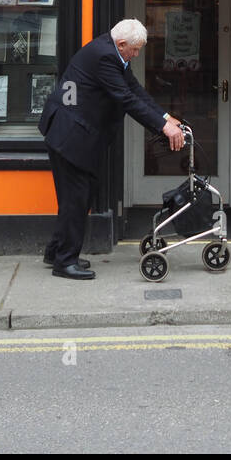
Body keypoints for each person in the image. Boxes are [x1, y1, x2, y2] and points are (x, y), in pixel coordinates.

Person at [38, 19, 185, 279]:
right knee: (77, 198)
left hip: (73, 134)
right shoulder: (105, 57)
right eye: (135, 49)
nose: (137, 55)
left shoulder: (111, 52)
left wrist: (164, 117)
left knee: (78, 197)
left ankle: (56, 252)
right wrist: (163, 129)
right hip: (70, 136)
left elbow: (134, 88)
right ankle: (64, 262)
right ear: (121, 44)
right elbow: (126, 99)